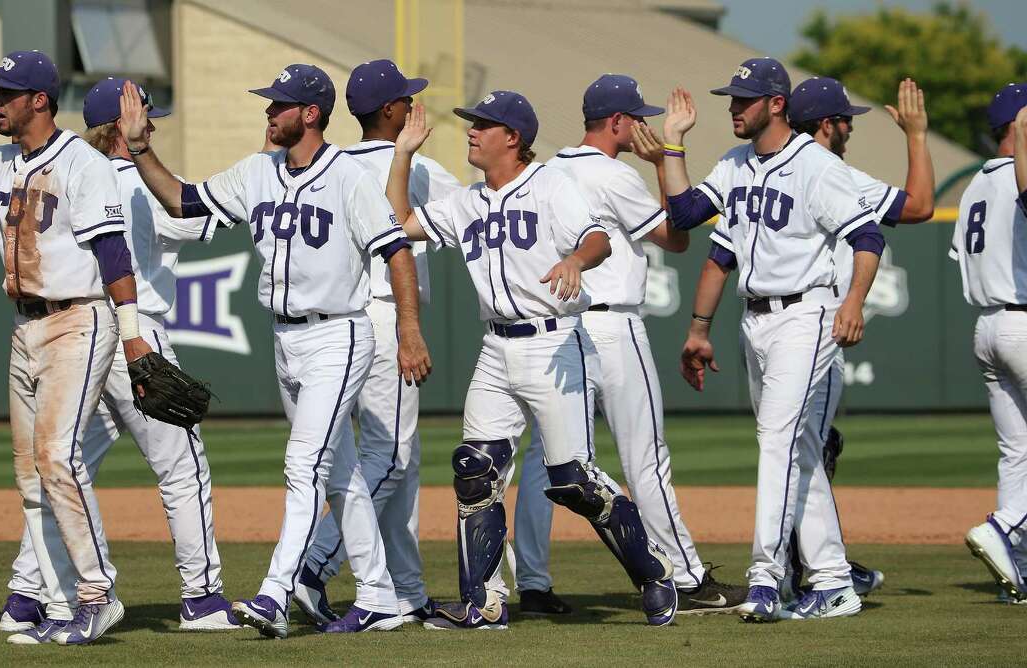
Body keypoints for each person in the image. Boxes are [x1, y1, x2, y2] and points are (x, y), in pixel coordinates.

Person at [120, 63, 430, 638]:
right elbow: (183, 202)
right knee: (338, 475)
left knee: (302, 464)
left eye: (278, 105)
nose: (268, 112)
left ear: (310, 114)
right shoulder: (257, 172)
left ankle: (275, 591)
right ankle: (380, 596)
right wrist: (139, 149)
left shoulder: (349, 178)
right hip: (284, 338)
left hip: (338, 332)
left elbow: (397, 253)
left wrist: (408, 329)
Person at [387, 94, 677, 630]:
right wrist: (403, 153)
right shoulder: (467, 200)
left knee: (575, 479)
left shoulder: (550, 185)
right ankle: (485, 602)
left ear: (513, 138)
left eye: (483, 125)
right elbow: (400, 221)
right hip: (496, 348)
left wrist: (574, 259)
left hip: (553, 342)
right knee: (475, 472)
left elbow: (598, 240)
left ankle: (653, 571)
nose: (471, 132)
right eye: (472, 124)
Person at [0, 50, 153, 645]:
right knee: (30, 473)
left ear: (38, 100)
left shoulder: (83, 164)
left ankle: (98, 596)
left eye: (5, 93)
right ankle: (54, 599)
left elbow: (114, 253)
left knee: (58, 458)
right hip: (26, 325)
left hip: (80, 319)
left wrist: (136, 332)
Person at [0, 77, 238, 635]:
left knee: (62, 469)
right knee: (182, 469)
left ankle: (26, 594)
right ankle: (202, 597)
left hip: (77, 333)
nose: (152, 125)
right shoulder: (139, 183)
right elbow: (199, 220)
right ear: (124, 124)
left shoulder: (67, 174)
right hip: (135, 332)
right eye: (147, 118)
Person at [513, 74, 748, 616]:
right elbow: (679, 237)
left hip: (559, 328)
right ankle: (686, 578)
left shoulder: (545, 171)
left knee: (545, 461)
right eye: (634, 118)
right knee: (646, 457)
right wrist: (661, 158)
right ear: (616, 123)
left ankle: (533, 582)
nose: (640, 125)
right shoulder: (614, 174)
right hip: (612, 326)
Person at [662, 57, 884, 622]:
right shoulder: (736, 163)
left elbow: (867, 235)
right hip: (753, 320)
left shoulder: (815, 166)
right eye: (732, 98)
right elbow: (686, 213)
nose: (733, 107)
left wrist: (853, 302)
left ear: (777, 104)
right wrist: (671, 146)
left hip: (805, 314)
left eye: (744, 99)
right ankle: (834, 581)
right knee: (800, 448)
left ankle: (765, 577)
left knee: (778, 442)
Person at [292, 59, 462, 626]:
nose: (414, 106)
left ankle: (406, 590)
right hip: (388, 315)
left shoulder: (330, 165)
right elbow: (474, 212)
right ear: (389, 110)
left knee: (388, 464)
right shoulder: (417, 168)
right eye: (406, 100)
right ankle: (312, 566)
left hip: (336, 322)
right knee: (389, 459)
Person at [784, 76, 936, 599]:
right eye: (846, 119)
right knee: (805, 450)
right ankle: (812, 570)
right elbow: (918, 207)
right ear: (827, 125)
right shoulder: (834, 177)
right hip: (816, 323)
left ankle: (799, 564)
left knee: (804, 446)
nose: (850, 127)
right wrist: (916, 136)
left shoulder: (768, 172)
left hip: (768, 325)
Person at [952, 83, 1027, 605]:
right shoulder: (1018, 179)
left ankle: (1015, 566)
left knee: (1016, 452)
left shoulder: (975, 185)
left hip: (986, 326)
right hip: (1022, 320)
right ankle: (1003, 528)